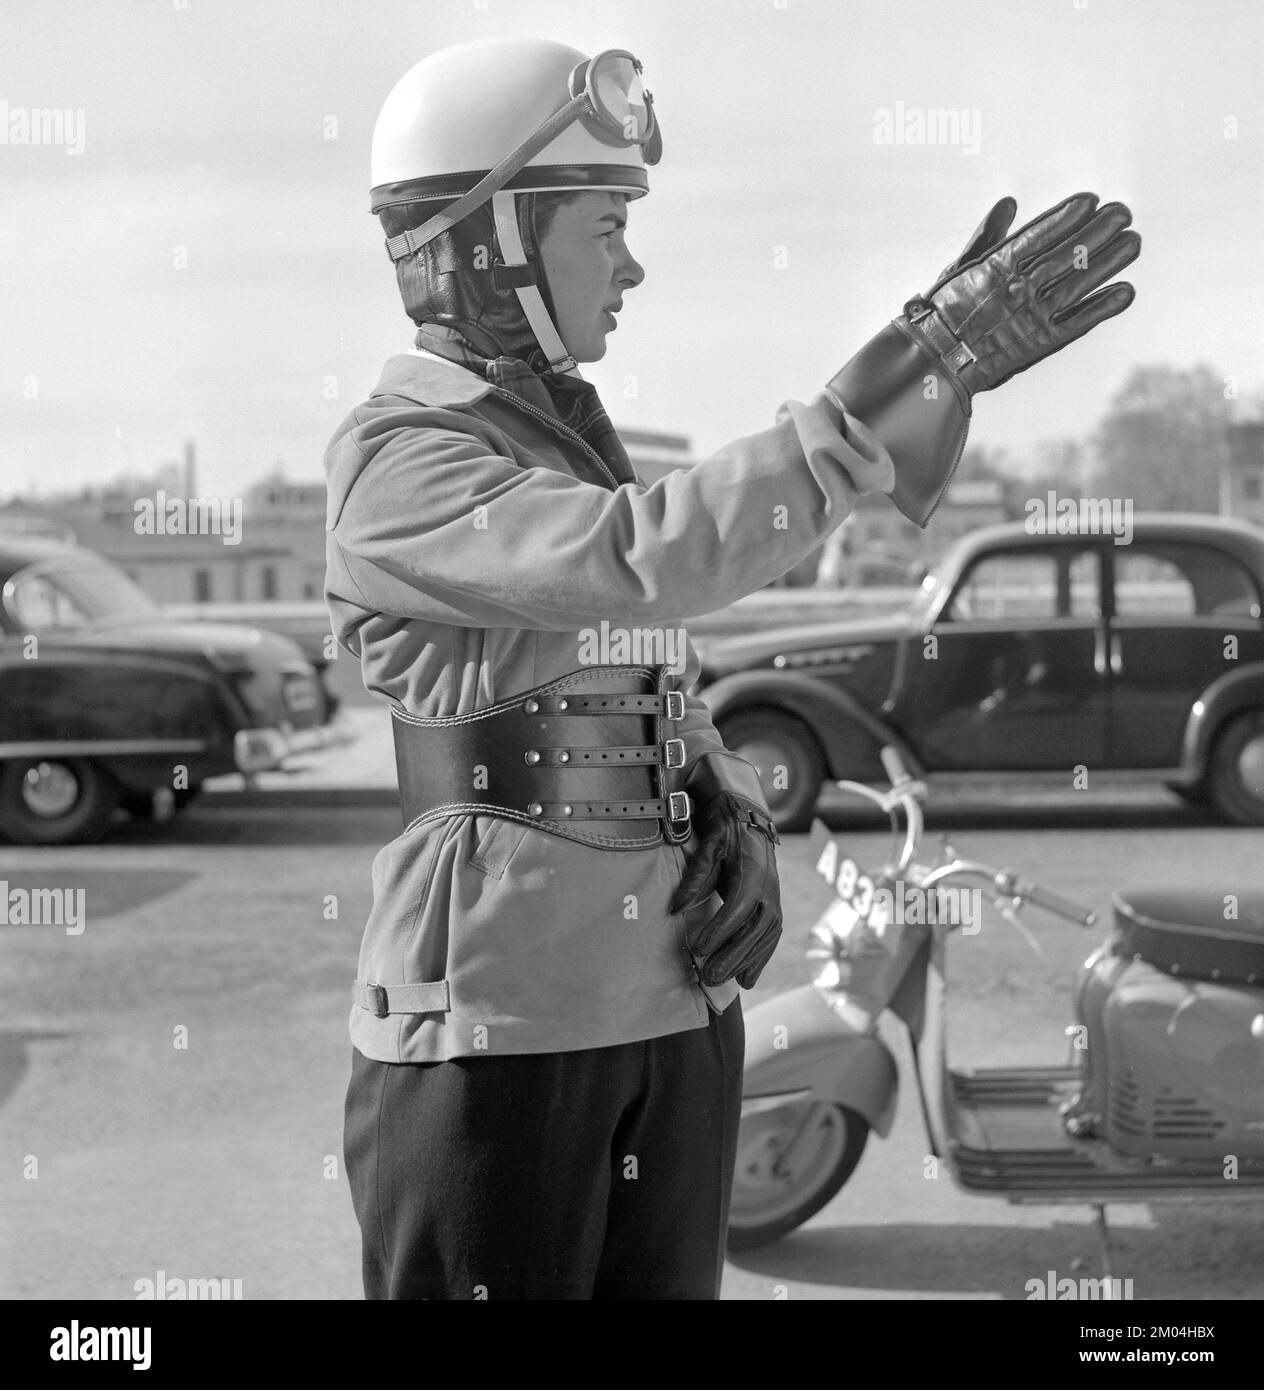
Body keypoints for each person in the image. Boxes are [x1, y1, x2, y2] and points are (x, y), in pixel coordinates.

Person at [325, 37, 1140, 1300]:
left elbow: (643, 659)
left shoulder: (552, 446)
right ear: (489, 243)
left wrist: (721, 793)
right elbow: (635, 565)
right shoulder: (401, 464)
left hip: (670, 1012)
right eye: (604, 225)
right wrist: (892, 388)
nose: (633, 264)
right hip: (500, 1037)